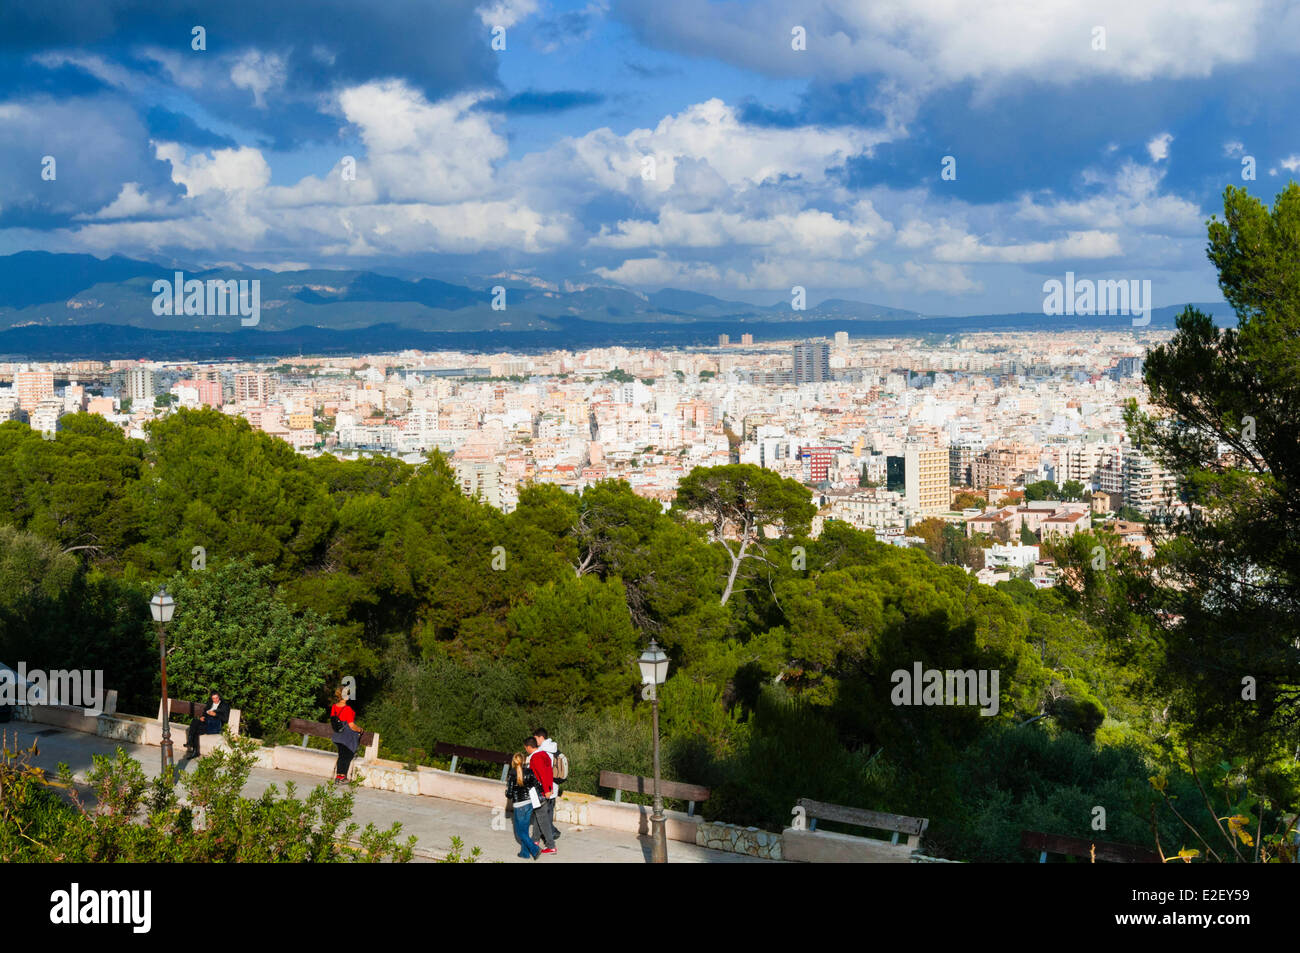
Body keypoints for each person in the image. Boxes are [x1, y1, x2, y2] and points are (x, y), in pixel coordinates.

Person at [505, 751, 543, 860]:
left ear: (514, 761)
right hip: (530, 804)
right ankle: (524, 853)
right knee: (525, 830)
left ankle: (535, 849)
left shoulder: (512, 773)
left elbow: (509, 794)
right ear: (523, 761)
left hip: (519, 806)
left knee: (520, 832)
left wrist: (506, 792)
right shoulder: (530, 772)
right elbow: (537, 786)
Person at [525, 736, 556, 854]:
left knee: (542, 819)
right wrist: (549, 789)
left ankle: (551, 846)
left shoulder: (536, 758)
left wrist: (546, 790)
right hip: (546, 791)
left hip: (539, 792)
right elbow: (549, 773)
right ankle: (535, 840)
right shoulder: (544, 755)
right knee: (539, 816)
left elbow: (542, 774)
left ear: (528, 747)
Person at [532, 727, 562, 843]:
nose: (535, 741)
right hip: (554, 786)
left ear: (541, 737)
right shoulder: (553, 748)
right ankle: (550, 833)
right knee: (548, 812)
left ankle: (550, 835)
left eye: (535, 738)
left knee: (542, 814)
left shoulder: (543, 751)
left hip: (546, 788)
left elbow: (544, 772)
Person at [329, 687, 363, 783]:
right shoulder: (347, 709)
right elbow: (351, 725)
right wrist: (360, 730)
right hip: (347, 737)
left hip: (338, 735)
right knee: (347, 756)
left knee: (341, 756)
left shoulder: (334, 707)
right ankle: (342, 777)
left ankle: (338, 776)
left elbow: (333, 720)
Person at [183, 690, 229, 758]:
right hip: (206, 723)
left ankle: (191, 744)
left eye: (216, 698)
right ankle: (194, 751)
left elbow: (225, 719)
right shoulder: (210, 703)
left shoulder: (224, 705)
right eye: (213, 698)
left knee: (195, 729)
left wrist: (215, 714)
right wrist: (202, 717)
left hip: (214, 726)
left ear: (219, 697)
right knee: (195, 721)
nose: (215, 700)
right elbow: (204, 713)